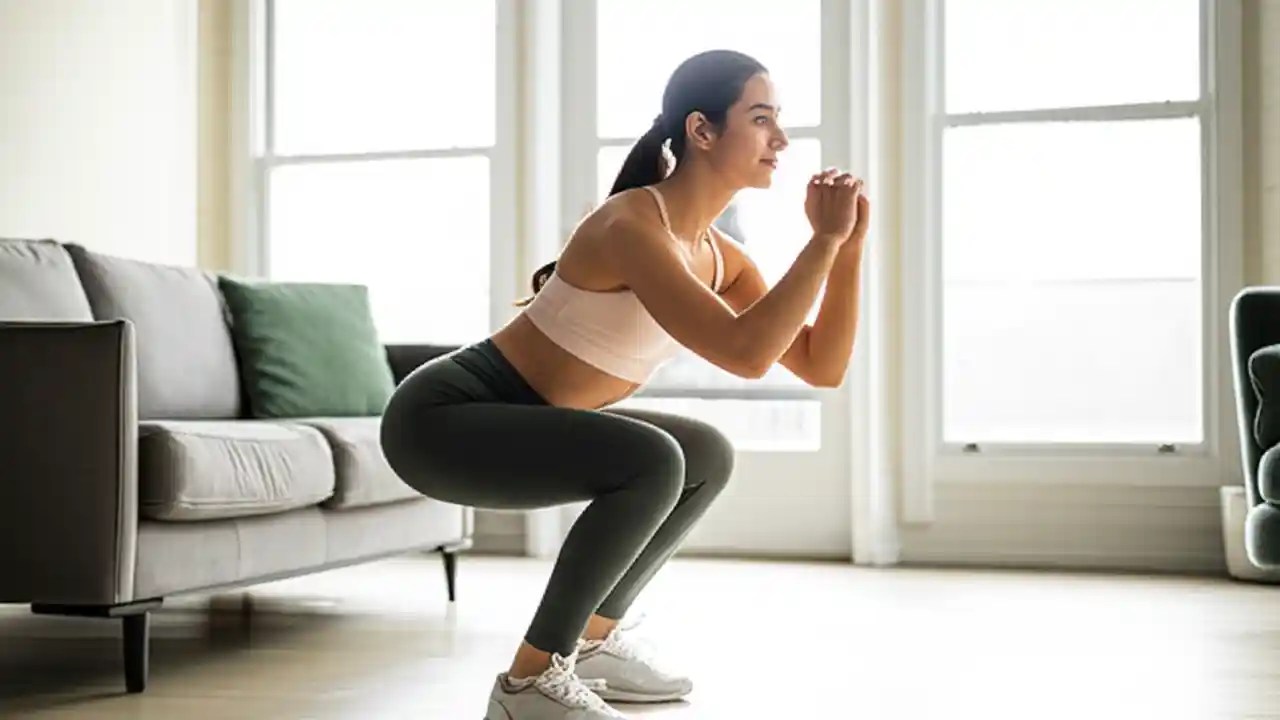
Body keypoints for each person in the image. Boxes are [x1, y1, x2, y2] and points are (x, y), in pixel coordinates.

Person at [379, 49, 870, 720]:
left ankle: (591, 639)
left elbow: (821, 366)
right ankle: (526, 685)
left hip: (525, 422)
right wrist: (820, 241)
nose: (780, 140)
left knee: (705, 454)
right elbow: (747, 353)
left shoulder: (722, 258)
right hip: (442, 422)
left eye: (778, 121)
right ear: (702, 131)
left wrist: (845, 248)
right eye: (761, 120)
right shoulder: (632, 225)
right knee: (653, 460)